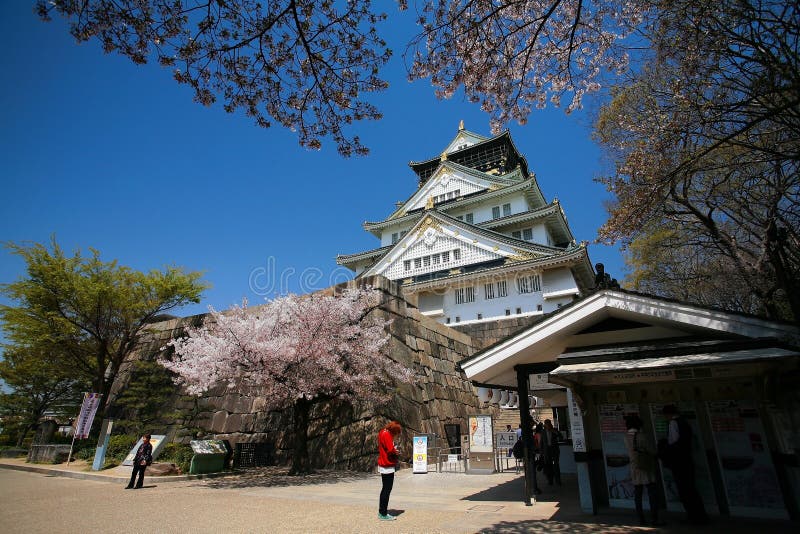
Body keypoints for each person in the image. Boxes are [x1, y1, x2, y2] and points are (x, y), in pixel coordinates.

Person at [662, 405, 708, 525]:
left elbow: (674, 442)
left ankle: (693, 516)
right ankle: (700, 515)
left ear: (668, 414)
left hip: (678, 461)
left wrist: (665, 450)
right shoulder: (684, 422)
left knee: (684, 490)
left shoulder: (673, 423)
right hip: (687, 459)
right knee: (691, 489)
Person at [624, 415, 662, 526]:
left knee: (638, 494)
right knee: (652, 493)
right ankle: (655, 518)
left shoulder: (626, 437)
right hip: (646, 466)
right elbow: (652, 451)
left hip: (634, 467)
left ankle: (641, 518)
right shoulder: (642, 436)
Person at [377, 421, 402, 521]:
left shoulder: (382, 432)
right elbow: (390, 450)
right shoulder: (387, 435)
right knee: (387, 489)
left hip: (383, 463)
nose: (396, 436)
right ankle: (383, 513)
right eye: (396, 434)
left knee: (385, 489)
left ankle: (382, 511)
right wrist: (396, 451)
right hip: (387, 464)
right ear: (394, 431)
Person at [541, 419, 562, 486]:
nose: (547, 425)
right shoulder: (543, 432)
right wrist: (541, 451)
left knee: (556, 465)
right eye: (546, 424)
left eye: (548, 423)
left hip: (554, 450)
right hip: (547, 451)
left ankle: (558, 480)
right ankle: (550, 480)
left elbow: (561, 437)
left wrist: (554, 432)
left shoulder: (555, 430)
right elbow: (541, 442)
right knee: (548, 466)